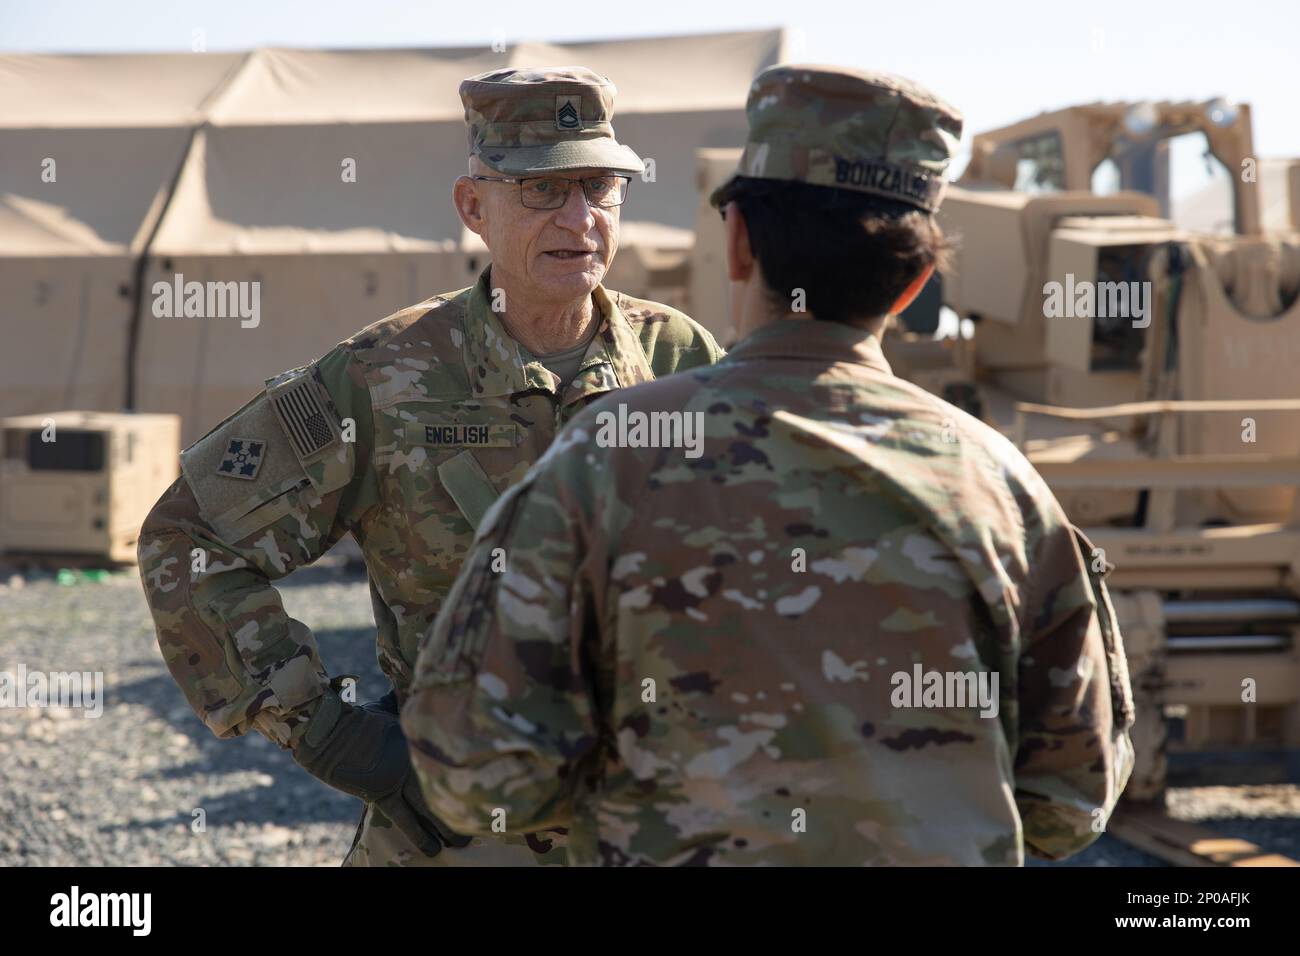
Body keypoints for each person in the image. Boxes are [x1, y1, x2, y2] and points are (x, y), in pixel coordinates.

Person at [401, 64, 1136, 866]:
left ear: (739, 242)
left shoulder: (603, 460)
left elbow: (473, 776)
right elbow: (1071, 802)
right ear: (917, 280)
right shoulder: (1004, 487)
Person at [137, 66, 723, 867]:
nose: (580, 217)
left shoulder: (682, 362)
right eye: (543, 189)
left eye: (599, 185)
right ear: (474, 207)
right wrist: (334, 735)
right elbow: (190, 540)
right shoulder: (384, 376)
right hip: (460, 835)